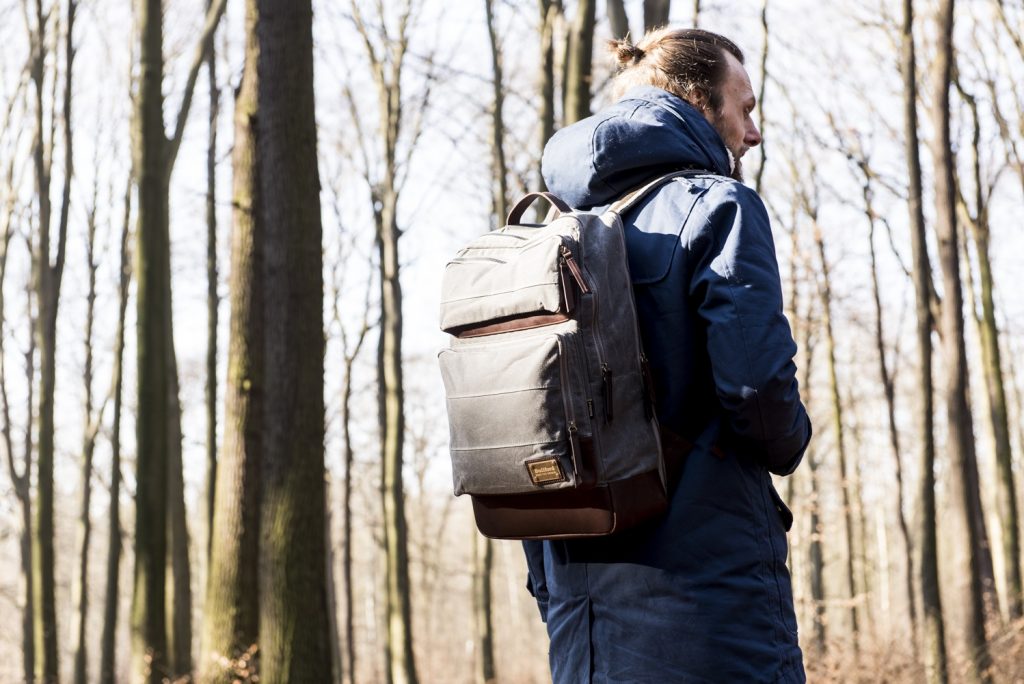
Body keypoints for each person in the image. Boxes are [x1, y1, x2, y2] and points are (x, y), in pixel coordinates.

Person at [523, 27, 812, 683]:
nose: (753, 131)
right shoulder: (720, 207)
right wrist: (793, 438)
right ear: (698, 104)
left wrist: (557, 602)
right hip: (713, 620)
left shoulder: (546, 240)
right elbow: (760, 395)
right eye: (746, 108)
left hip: (581, 631)